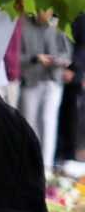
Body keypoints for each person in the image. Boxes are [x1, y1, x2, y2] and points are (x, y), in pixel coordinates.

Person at [17, 9, 73, 167]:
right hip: (31, 79)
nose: (44, 15)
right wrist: (35, 59)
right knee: (29, 121)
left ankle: (46, 165)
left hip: (53, 79)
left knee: (49, 121)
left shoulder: (58, 28)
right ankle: (28, 163)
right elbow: (17, 55)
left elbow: (67, 56)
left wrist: (57, 61)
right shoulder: (24, 27)